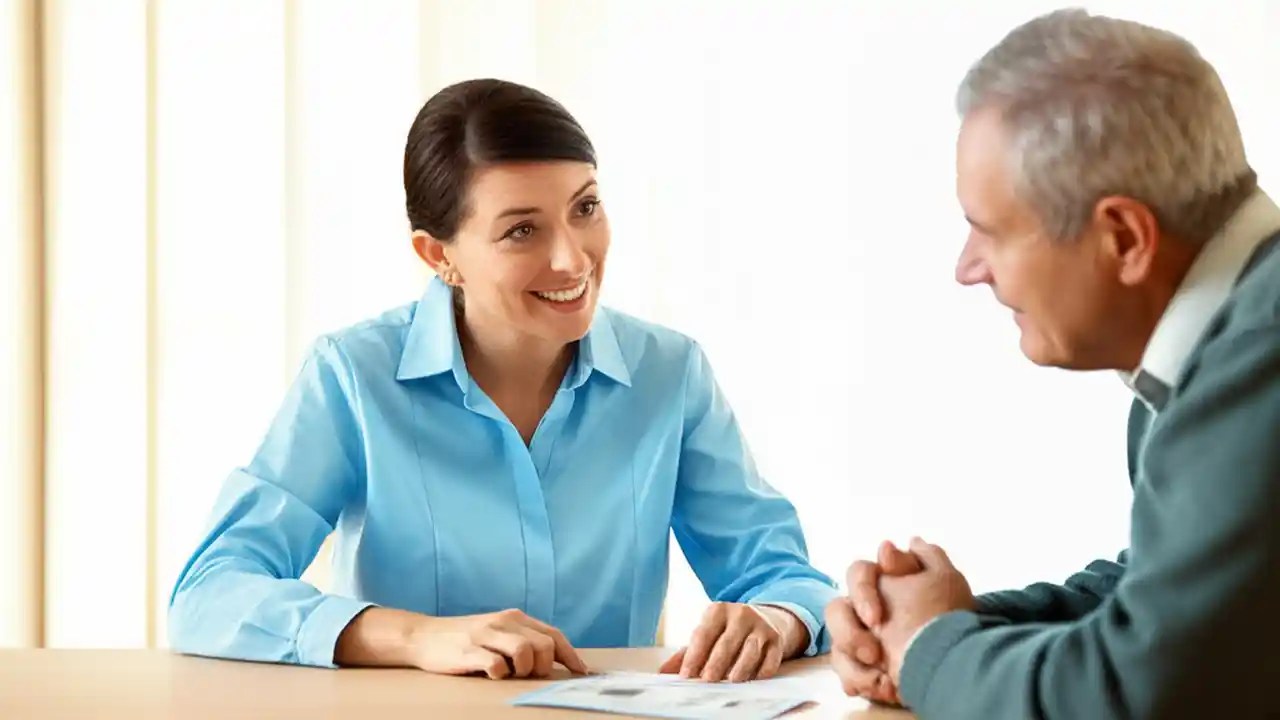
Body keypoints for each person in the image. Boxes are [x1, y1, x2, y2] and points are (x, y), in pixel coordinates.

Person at [168, 78, 837, 682]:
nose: (572, 258)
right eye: (521, 231)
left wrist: (772, 620)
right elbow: (211, 593)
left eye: (585, 208)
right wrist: (417, 637)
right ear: (439, 255)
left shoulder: (670, 373)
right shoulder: (353, 376)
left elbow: (786, 579)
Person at [826, 9, 1280, 719]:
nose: (967, 268)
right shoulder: (1220, 339)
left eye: (988, 231)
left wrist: (928, 649)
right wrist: (946, 626)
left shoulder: (1260, 357)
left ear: (1124, 237)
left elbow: (1129, 693)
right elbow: (1169, 604)